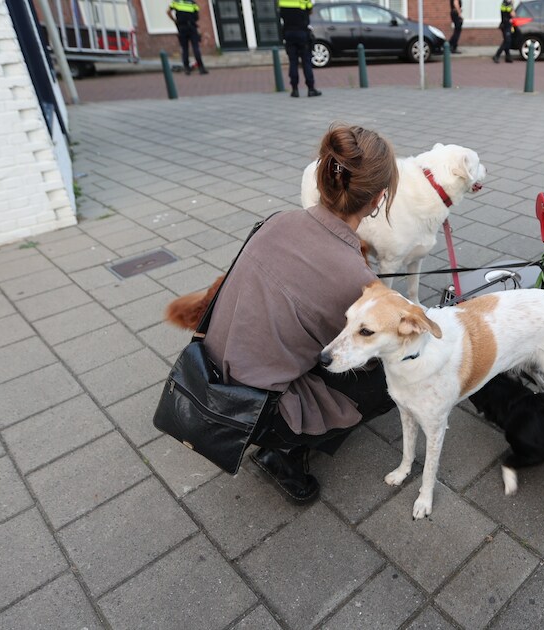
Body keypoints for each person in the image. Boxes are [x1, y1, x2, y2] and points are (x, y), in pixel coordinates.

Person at [203, 124, 399, 503]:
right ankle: (283, 451)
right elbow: (361, 354)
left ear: (326, 176)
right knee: (390, 374)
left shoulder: (278, 220)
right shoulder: (353, 277)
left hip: (209, 370)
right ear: (377, 200)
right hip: (251, 409)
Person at [278, 0, 321, 97]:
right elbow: (310, 10)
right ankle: (311, 89)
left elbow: (280, 14)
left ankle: (294, 90)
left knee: (293, 62)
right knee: (306, 61)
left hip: (288, 33)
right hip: (302, 33)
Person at [167, 0, 208, 75]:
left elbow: (168, 12)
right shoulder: (193, 3)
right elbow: (197, 17)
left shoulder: (176, 2)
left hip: (182, 27)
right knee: (196, 48)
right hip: (192, 27)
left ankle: (187, 69)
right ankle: (201, 68)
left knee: (184, 48)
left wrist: (175, 20)